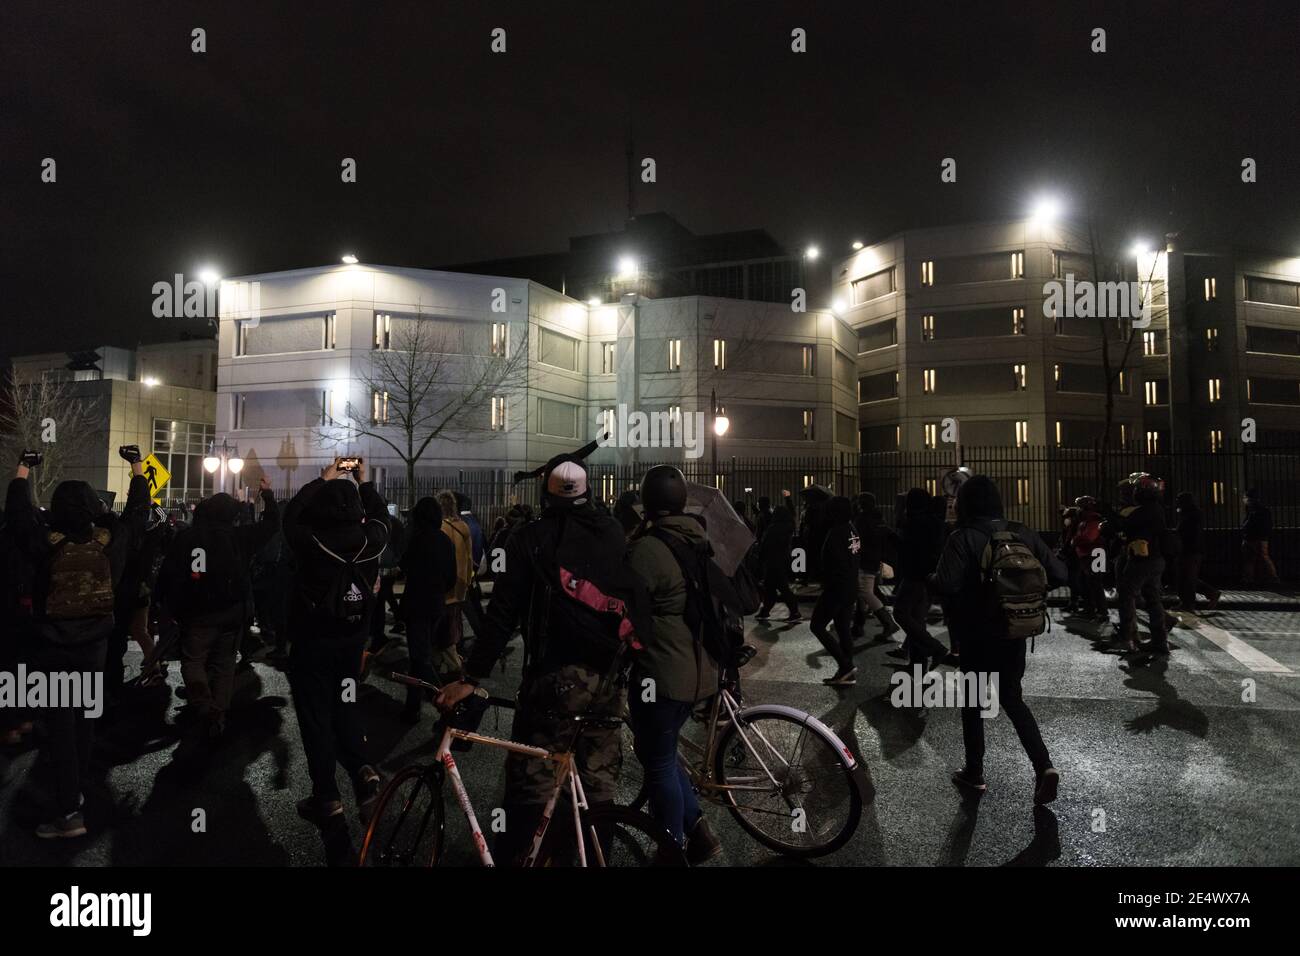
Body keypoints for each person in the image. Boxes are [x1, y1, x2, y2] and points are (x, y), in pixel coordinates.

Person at [435, 454, 648, 865]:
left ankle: (523, 856)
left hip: (555, 677)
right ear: (587, 494)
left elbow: (501, 615)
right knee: (597, 777)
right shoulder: (612, 533)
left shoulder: (529, 539)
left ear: (546, 494)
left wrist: (471, 674)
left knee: (532, 781)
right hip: (609, 675)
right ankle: (592, 851)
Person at [5, 446, 150, 837]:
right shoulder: (109, 540)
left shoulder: (45, 543)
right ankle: (78, 791)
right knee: (83, 723)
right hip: (95, 645)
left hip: (52, 645)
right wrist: (137, 466)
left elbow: (17, 514)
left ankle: (68, 811)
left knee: (61, 729)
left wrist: (24, 469)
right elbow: (139, 512)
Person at [930, 475, 1067, 805]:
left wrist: (929, 577)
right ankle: (1043, 767)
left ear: (965, 504)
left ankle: (974, 772)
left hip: (976, 634)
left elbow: (946, 585)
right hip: (1015, 631)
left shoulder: (963, 537)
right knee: (1012, 698)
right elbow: (1061, 574)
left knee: (974, 703)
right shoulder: (1023, 533)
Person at [282, 457, 389, 847]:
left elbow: (290, 516)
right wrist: (363, 482)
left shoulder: (311, 541)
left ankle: (327, 796)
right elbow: (381, 516)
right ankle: (362, 768)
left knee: (315, 719)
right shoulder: (371, 540)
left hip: (313, 644)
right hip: (351, 641)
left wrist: (321, 479)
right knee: (346, 705)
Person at [624, 465, 723, 862]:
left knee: (659, 762)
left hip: (663, 674)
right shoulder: (698, 538)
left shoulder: (648, 548)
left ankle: (671, 847)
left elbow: (626, 605)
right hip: (700, 669)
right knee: (660, 752)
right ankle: (697, 831)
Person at [159, 478, 279, 742]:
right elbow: (272, 525)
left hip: (196, 612)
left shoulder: (187, 537)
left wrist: (167, 606)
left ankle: (202, 703)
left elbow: (169, 574)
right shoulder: (239, 537)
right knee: (225, 663)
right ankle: (218, 713)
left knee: (194, 659)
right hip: (231, 610)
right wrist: (267, 495)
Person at [397, 496, 458, 722]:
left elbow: (403, 565)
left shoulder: (417, 540)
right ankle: (413, 706)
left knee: (420, 659)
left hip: (417, 604)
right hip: (436, 604)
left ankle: (447, 702)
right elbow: (451, 577)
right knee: (420, 658)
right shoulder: (445, 541)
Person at [1112, 474, 1173, 655]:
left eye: (1138, 489)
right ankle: (1159, 642)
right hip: (1155, 559)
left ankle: (1127, 637)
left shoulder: (1145, 510)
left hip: (1142, 560)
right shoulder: (1156, 509)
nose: (1135, 492)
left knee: (1126, 594)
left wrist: (1109, 514)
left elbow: (1125, 525)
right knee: (1152, 598)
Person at [889, 488, 949, 666]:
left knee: (900, 613)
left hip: (914, 575)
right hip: (929, 576)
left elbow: (908, 549)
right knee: (917, 618)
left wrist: (892, 536)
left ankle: (935, 647)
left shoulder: (915, 522)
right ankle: (917, 663)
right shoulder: (934, 521)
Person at [811, 496, 862, 685]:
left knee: (816, 625)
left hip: (837, 587)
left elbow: (832, 562)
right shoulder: (852, 529)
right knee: (842, 628)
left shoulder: (836, 532)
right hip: (850, 585)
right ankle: (846, 671)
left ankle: (845, 665)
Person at [851, 492, 898, 640]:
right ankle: (858, 625)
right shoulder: (879, 519)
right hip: (875, 558)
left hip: (864, 559)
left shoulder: (861, 520)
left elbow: (857, 541)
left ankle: (888, 622)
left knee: (865, 592)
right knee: (863, 591)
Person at [436, 489, 474, 665]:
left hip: (443, 584)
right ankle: (452, 656)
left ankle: (450, 665)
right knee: (454, 621)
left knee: (442, 626)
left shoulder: (438, 527)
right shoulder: (463, 526)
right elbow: (469, 558)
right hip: (460, 584)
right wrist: (467, 582)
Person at [755, 501, 800, 621]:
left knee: (778, 587)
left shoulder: (774, 528)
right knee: (773, 587)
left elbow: (766, 545)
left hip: (773, 562)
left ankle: (793, 611)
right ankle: (766, 610)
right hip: (782, 560)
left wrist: (760, 557)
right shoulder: (787, 527)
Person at [1175, 492, 1220, 613]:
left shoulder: (1191, 514)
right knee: (1186, 577)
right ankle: (1207, 594)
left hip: (1190, 549)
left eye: (1179, 500)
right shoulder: (1191, 513)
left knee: (1188, 577)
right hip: (1190, 549)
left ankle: (1188, 603)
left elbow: (1188, 532)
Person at [1072, 496, 1107, 621]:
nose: (1078, 510)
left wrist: (1075, 541)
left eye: (1080, 507)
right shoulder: (1086, 520)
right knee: (1085, 583)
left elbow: (1089, 537)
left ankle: (1101, 612)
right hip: (1089, 554)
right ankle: (1090, 609)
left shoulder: (1093, 519)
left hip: (1096, 553)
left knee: (1095, 583)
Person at [1241, 489, 1279, 586]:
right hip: (1260, 538)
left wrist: (1245, 529)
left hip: (1253, 538)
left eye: (1245, 498)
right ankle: (1271, 577)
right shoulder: (1263, 510)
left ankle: (1250, 578)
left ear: (1250, 499)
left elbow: (1248, 525)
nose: (1244, 500)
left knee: (1252, 559)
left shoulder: (1254, 511)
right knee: (1261, 558)